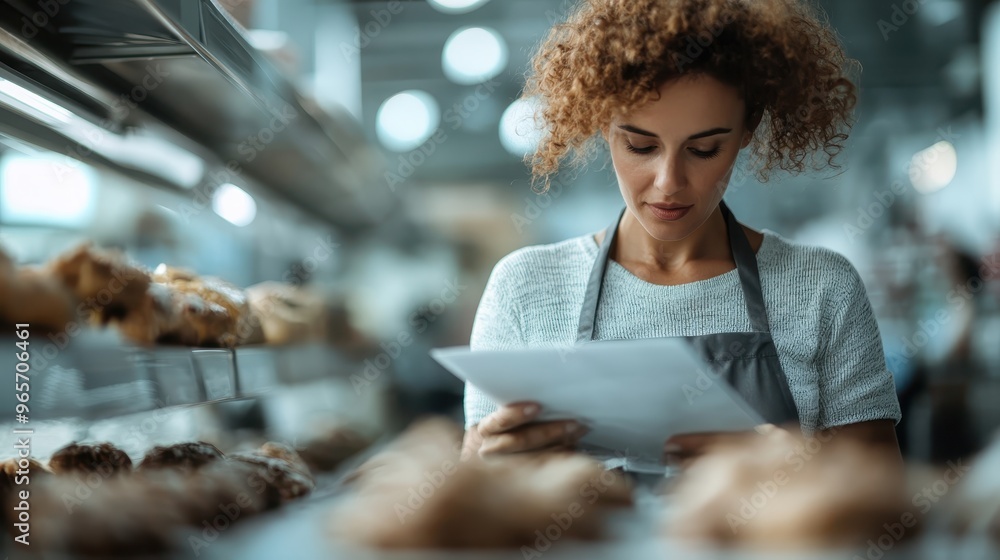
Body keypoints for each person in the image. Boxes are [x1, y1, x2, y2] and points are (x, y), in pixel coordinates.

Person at [462, 0, 902, 465]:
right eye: (640, 145)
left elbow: (885, 501)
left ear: (749, 127)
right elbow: (474, 500)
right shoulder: (525, 287)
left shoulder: (822, 287)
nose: (668, 182)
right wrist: (485, 460)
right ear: (601, 122)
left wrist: (799, 461)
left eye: (705, 148)